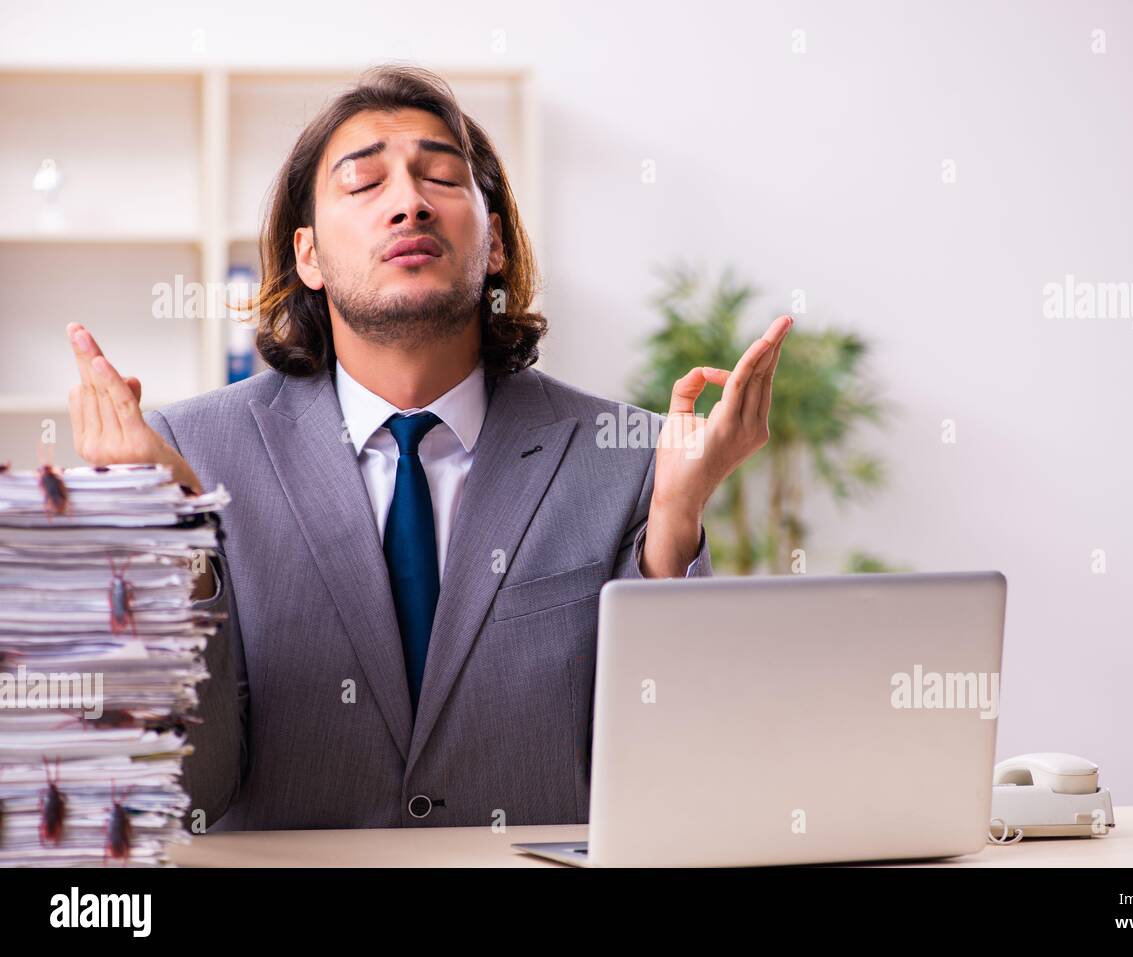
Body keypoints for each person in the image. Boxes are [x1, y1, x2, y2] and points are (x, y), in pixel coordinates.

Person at [63, 64, 790, 831]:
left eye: (442, 177)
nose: (409, 201)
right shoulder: (190, 456)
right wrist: (176, 546)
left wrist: (674, 522)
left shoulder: (629, 455)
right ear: (306, 255)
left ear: (497, 243)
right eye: (364, 184)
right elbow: (187, 791)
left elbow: (668, 777)